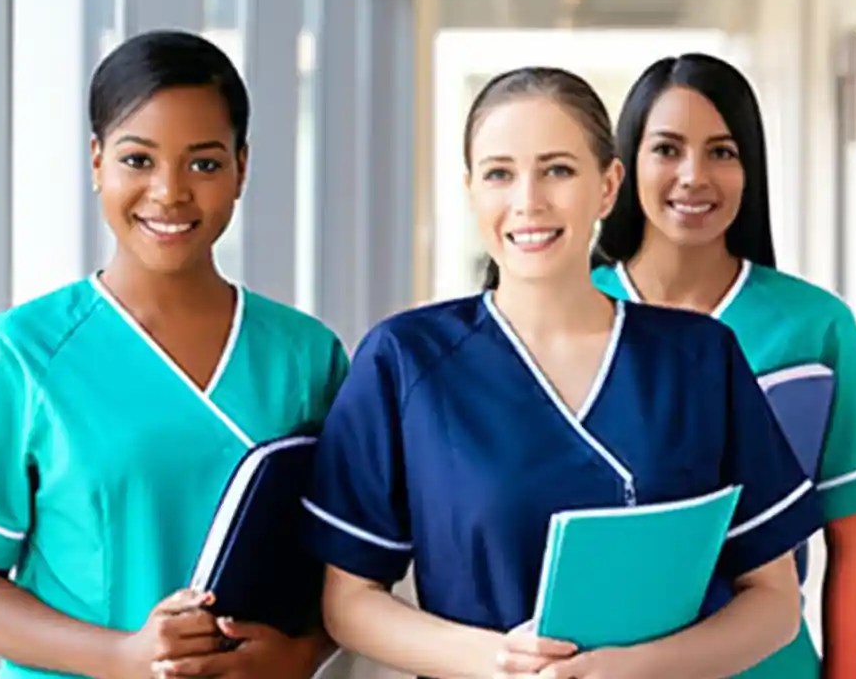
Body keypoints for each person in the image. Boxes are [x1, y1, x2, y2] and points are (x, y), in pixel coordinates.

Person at [303, 66, 823, 679]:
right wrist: (499, 661)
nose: (528, 200)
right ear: (471, 190)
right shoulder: (404, 361)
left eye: (558, 170)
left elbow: (774, 601)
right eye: (500, 173)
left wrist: (626, 669)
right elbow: (349, 602)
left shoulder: (701, 358)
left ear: (608, 186)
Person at [0, 30, 346, 679]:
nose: (169, 192)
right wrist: (125, 657)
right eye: (138, 160)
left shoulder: (306, 357)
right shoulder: (20, 354)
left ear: (243, 167)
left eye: (204, 163)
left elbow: (346, 567)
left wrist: (298, 655)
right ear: (97, 160)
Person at [591, 53, 856, 678]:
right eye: (667, 149)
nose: (694, 176)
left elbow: (851, 539)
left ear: (751, 170)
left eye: (722, 152)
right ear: (623, 167)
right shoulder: (572, 309)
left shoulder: (814, 328)